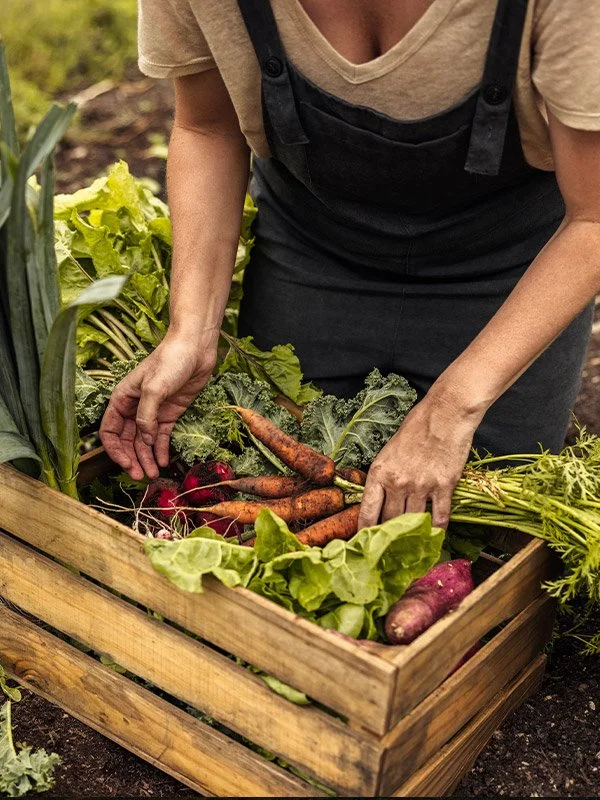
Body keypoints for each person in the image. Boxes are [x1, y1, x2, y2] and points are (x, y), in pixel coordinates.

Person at [100, 0, 600, 531]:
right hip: (314, 254)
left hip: (510, 274)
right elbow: (207, 128)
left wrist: (452, 408)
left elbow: (594, 218)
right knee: (278, 498)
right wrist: (191, 332)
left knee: (485, 527)